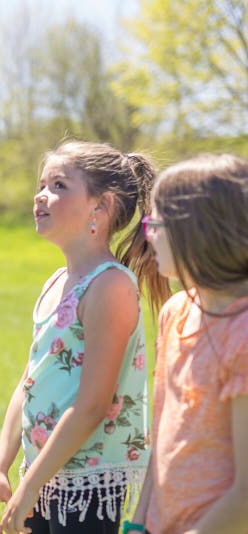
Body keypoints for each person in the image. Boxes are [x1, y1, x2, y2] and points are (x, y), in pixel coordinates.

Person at [0, 141, 170, 534]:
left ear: (99, 208)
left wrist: (31, 486)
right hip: (45, 473)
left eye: (59, 185)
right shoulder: (57, 281)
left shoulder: (110, 287)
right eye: (42, 184)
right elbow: (28, 382)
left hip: (88, 483)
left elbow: (92, 405)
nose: (40, 194)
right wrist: (2, 468)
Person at [124, 154, 248, 534]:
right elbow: (161, 438)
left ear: (198, 231)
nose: (148, 234)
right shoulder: (175, 312)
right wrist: (138, 524)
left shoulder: (241, 335)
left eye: (156, 223)